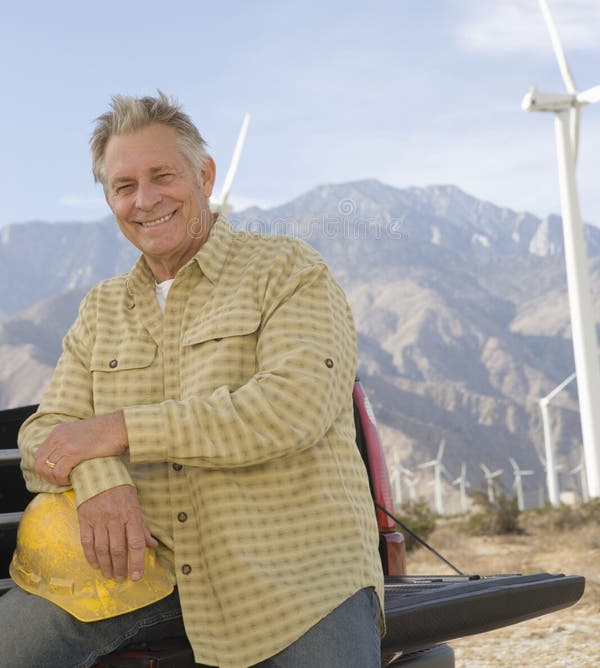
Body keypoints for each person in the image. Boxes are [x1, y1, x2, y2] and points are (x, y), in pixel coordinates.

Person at [0, 93, 384, 668]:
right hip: (134, 571)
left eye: (162, 176)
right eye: (124, 186)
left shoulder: (289, 271)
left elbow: (292, 407)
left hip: (293, 579)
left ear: (204, 175)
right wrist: (100, 478)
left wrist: (121, 430)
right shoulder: (101, 308)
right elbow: (46, 432)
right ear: (109, 200)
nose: (145, 199)